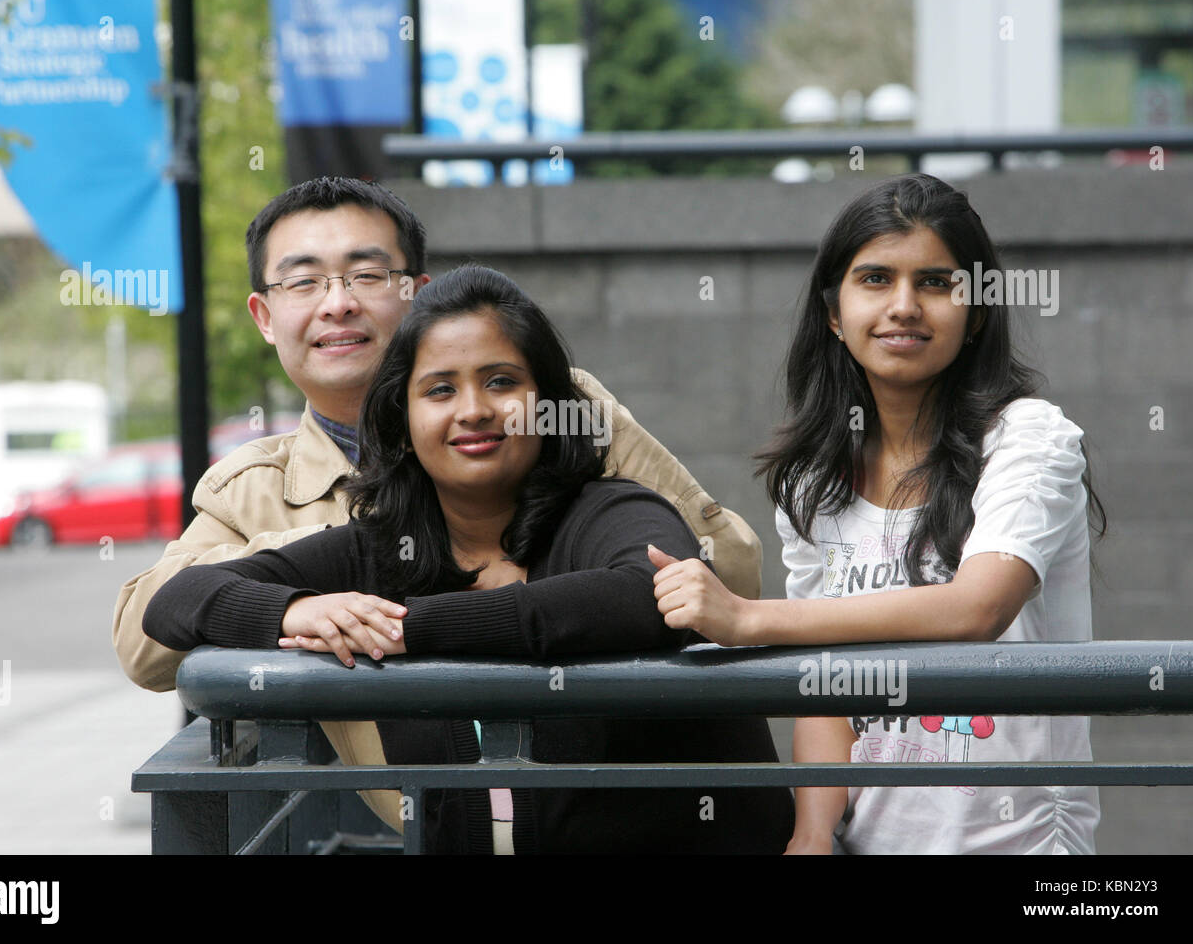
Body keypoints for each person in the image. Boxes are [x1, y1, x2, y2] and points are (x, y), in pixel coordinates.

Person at [111, 176, 763, 829]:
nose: (338, 304)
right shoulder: (253, 489)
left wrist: (399, 625)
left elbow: (717, 581)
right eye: (304, 281)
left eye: (366, 275)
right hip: (424, 822)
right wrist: (304, 602)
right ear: (263, 315)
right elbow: (151, 637)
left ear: (417, 294)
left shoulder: (563, 421)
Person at [649, 173, 1107, 854]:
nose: (903, 306)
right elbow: (825, 692)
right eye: (874, 280)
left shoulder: (1027, 439)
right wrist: (810, 834)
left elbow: (975, 611)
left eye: (934, 282)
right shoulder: (813, 482)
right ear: (834, 313)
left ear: (976, 310)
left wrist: (749, 620)